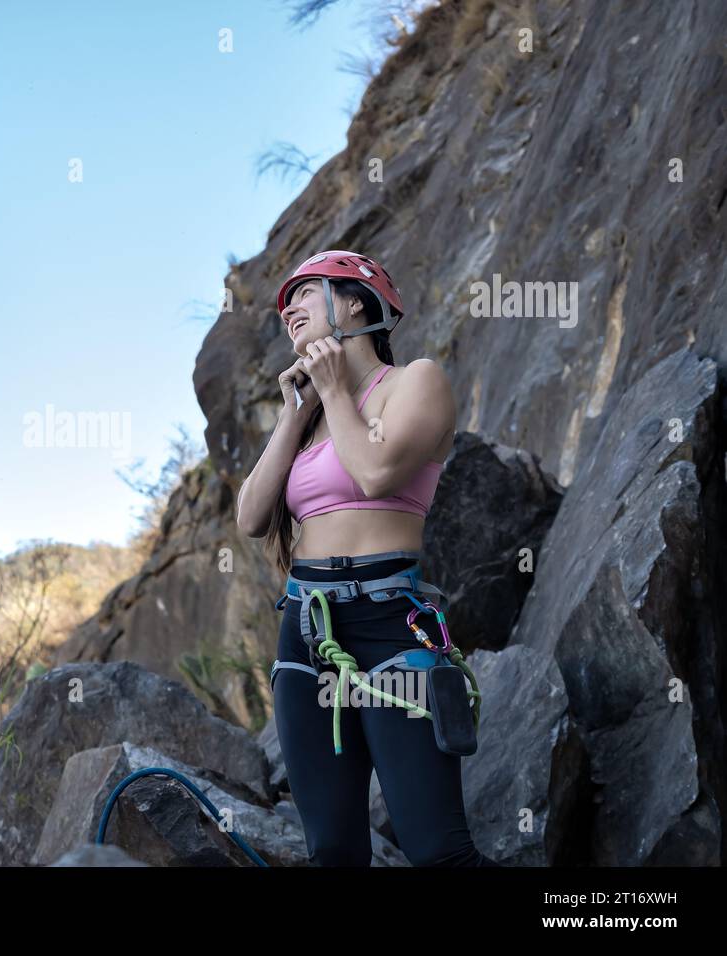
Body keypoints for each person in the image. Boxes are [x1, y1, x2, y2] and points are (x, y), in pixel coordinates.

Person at [235, 250, 499, 867]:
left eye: (305, 293)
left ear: (355, 300)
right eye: (285, 305)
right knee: (332, 849)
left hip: (390, 627)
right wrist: (297, 412)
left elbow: (377, 472)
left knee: (438, 851)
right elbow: (251, 516)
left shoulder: (415, 381)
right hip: (306, 630)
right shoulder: (313, 414)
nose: (289, 309)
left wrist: (331, 390)